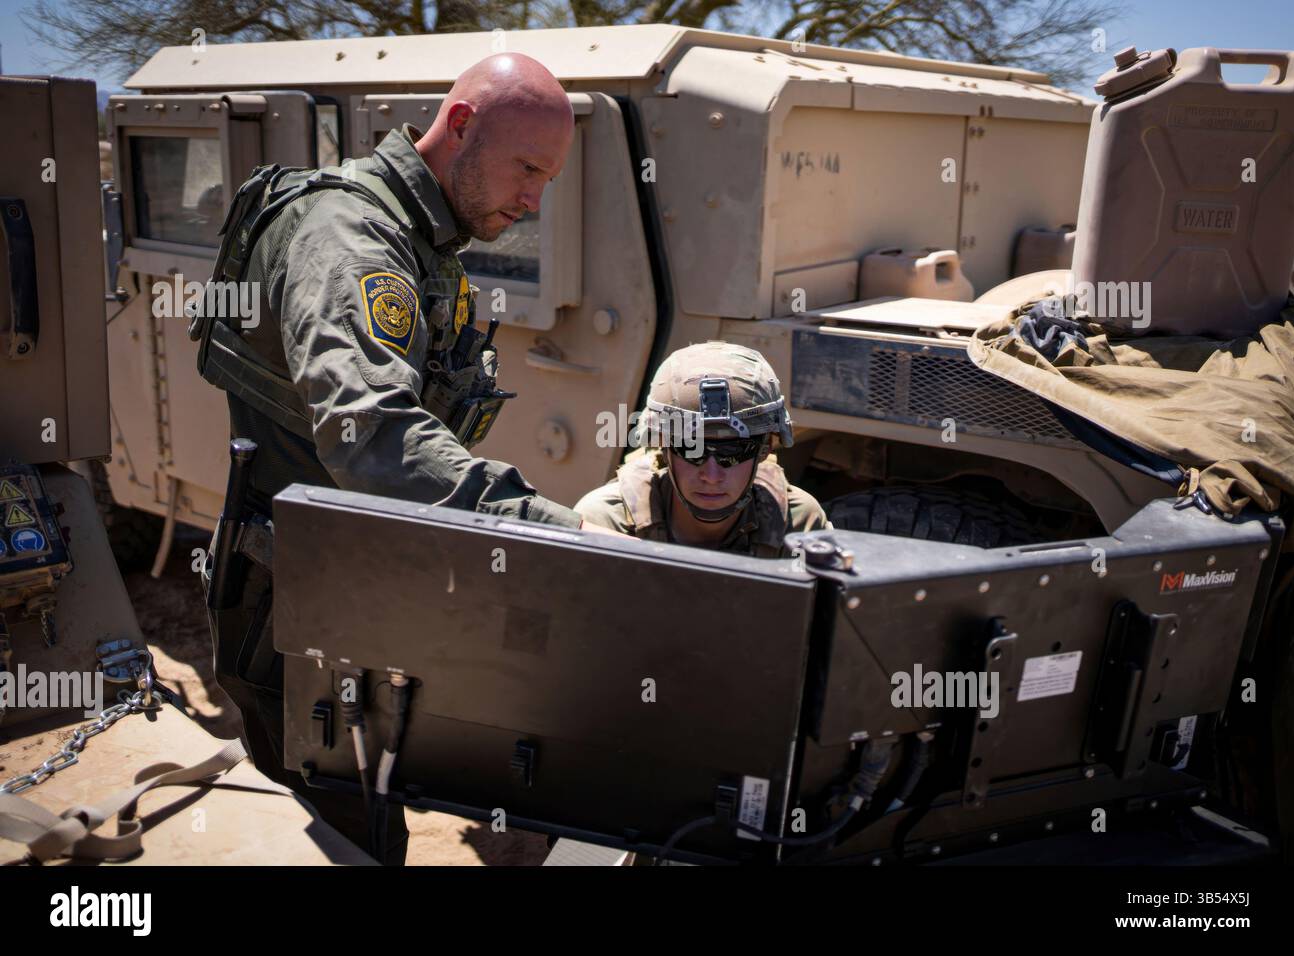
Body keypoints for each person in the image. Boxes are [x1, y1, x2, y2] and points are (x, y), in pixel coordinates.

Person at [194, 53, 621, 864]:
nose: (533, 200)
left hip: (364, 595)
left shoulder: (424, 240)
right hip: (301, 618)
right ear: (460, 127)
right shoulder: (351, 237)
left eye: (548, 179)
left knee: (380, 803)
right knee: (350, 837)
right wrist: (553, 533)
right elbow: (372, 433)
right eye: (526, 169)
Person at [575, 342, 829, 556]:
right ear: (664, 448)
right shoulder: (607, 522)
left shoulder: (796, 525)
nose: (711, 475)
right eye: (691, 449)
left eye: (733, 452)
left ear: (764, 449)